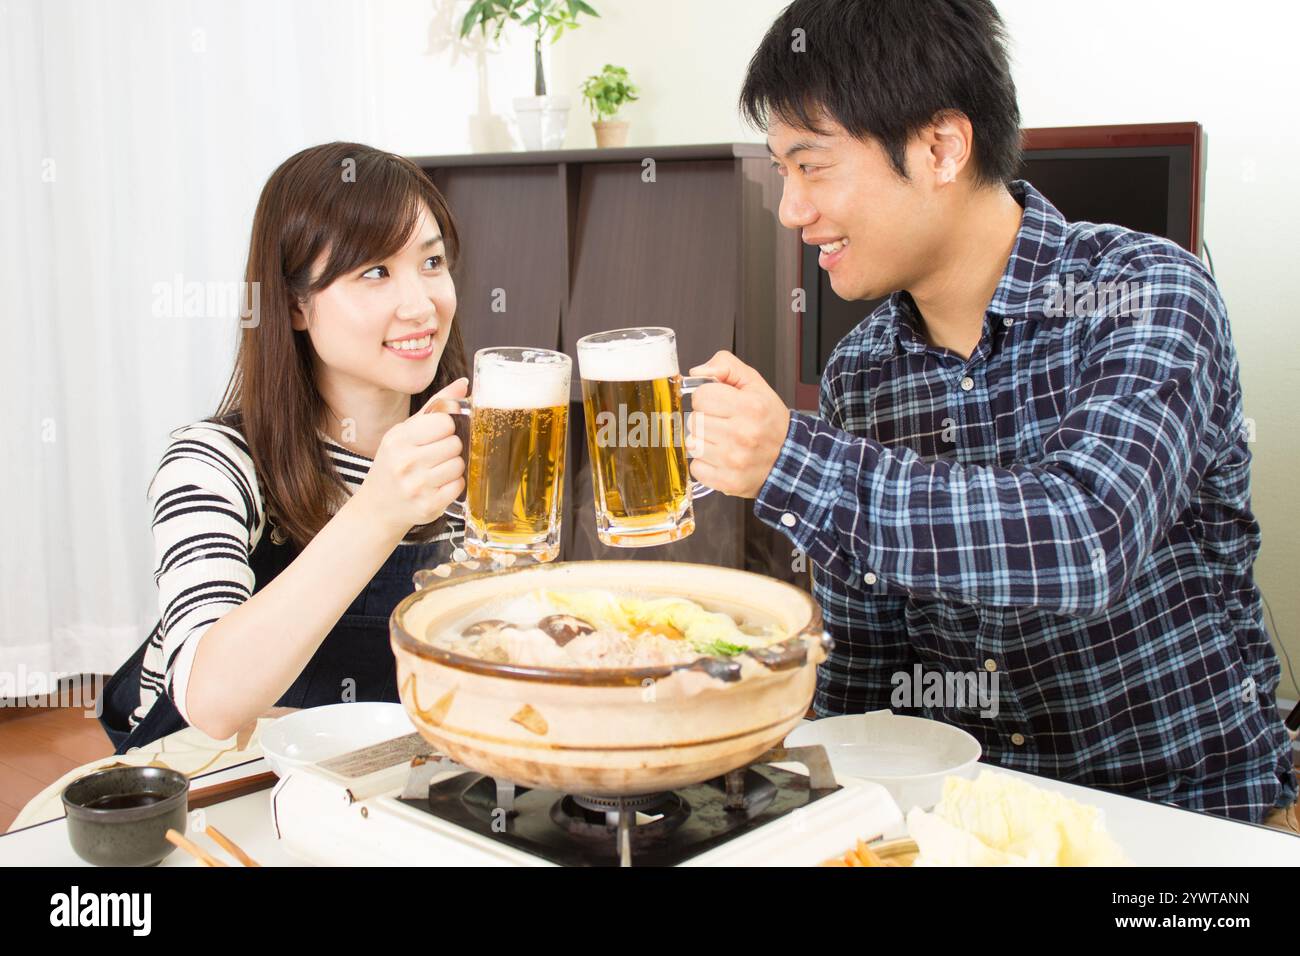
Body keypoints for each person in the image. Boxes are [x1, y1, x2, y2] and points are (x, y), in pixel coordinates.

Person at [685, 0, 1297, 826]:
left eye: (813, 166)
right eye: (781, 171)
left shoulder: (1144, 293)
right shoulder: (862, 374)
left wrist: (792, 457)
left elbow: (1087, 537)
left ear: (940, 148)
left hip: (1186, 821)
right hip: (971, 824)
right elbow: (869, 675)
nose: (791, 210)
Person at [99, 142, 470, 752]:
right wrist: (377, 512)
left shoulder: (484, 451)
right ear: (296, 305)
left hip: (386, 784)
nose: (420, 304)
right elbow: (212, 702)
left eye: (431, 263)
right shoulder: (212, 462)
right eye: (374, 271)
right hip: (215, 785)